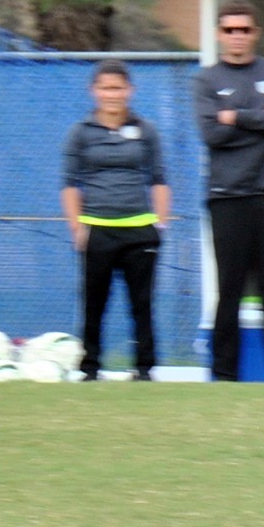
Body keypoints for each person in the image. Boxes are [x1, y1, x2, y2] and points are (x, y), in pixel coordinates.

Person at [193, 0, 264, 382]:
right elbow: (212, 134)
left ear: (255, 33)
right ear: (219, 34)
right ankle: (224, 375)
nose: (237, 36)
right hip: (228, 198)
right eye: (230, 30)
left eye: (244, 29)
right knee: (230, 290)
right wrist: (263, 117)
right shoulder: (207, 80)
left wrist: (236, 116)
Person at [61, 59, 170, 381]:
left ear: (130, 90)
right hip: (97, 230)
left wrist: (160, 224)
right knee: (93, 305)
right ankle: (90, 369)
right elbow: (69, 183)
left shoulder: (146, 130)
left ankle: (144, 369)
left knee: (142, 304)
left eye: (118, 88)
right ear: (94, 91)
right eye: (106, 88)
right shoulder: (80, 133)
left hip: (139, 230)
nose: (112, 94)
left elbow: (159, 179)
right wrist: (77, 228)